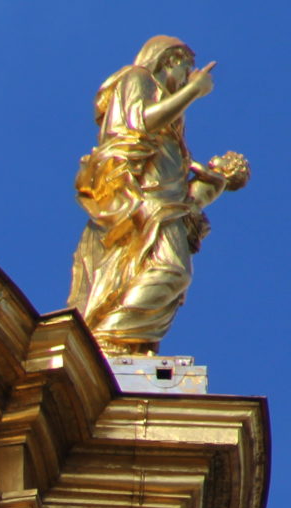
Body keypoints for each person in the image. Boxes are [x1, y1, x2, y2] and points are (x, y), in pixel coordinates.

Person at [66, 36, 247, 356]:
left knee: (156, 270)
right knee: (173, 270)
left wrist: (207, 189)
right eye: (187, 68)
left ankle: (121, 339)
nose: (189, 76)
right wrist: (194, 92)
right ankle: (107, 336)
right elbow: (140, 124)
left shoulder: (171, 108)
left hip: (166, 199)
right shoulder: (137, 78)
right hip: (145, 196)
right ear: (169, 59)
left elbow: (167, 157)